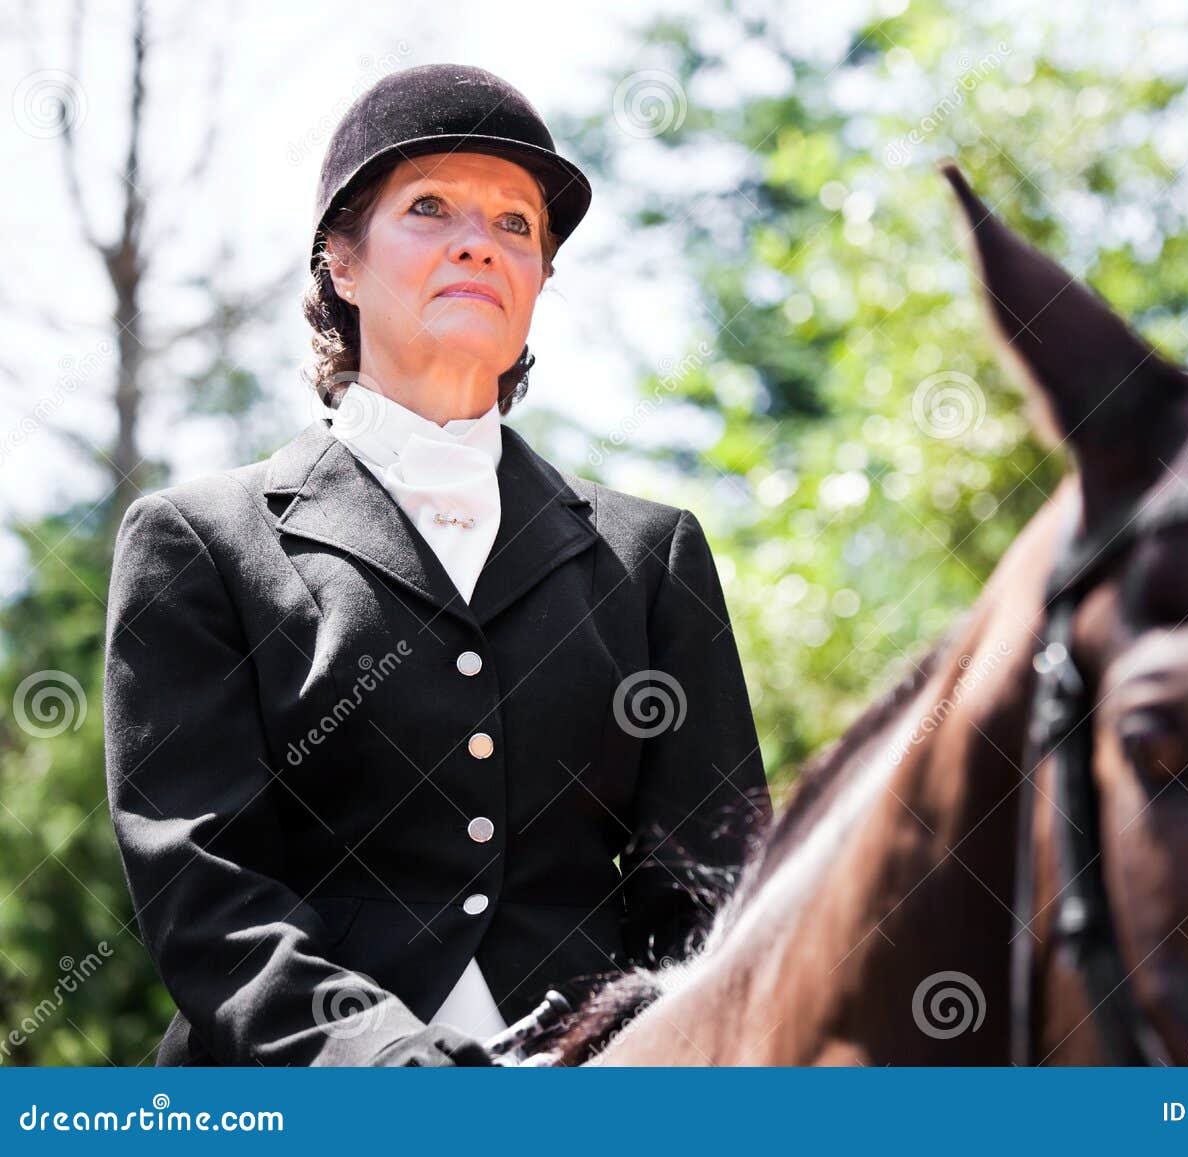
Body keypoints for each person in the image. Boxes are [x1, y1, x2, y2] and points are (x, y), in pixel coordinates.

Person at [102, 63, 772, 1066]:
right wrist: (393, 1069)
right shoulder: (199, 541)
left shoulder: (650, 555)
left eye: (515, 224)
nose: (480, 241)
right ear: (341, 262)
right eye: (430, 207)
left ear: (538, 280)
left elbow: (713, 898)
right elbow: (207, 892)